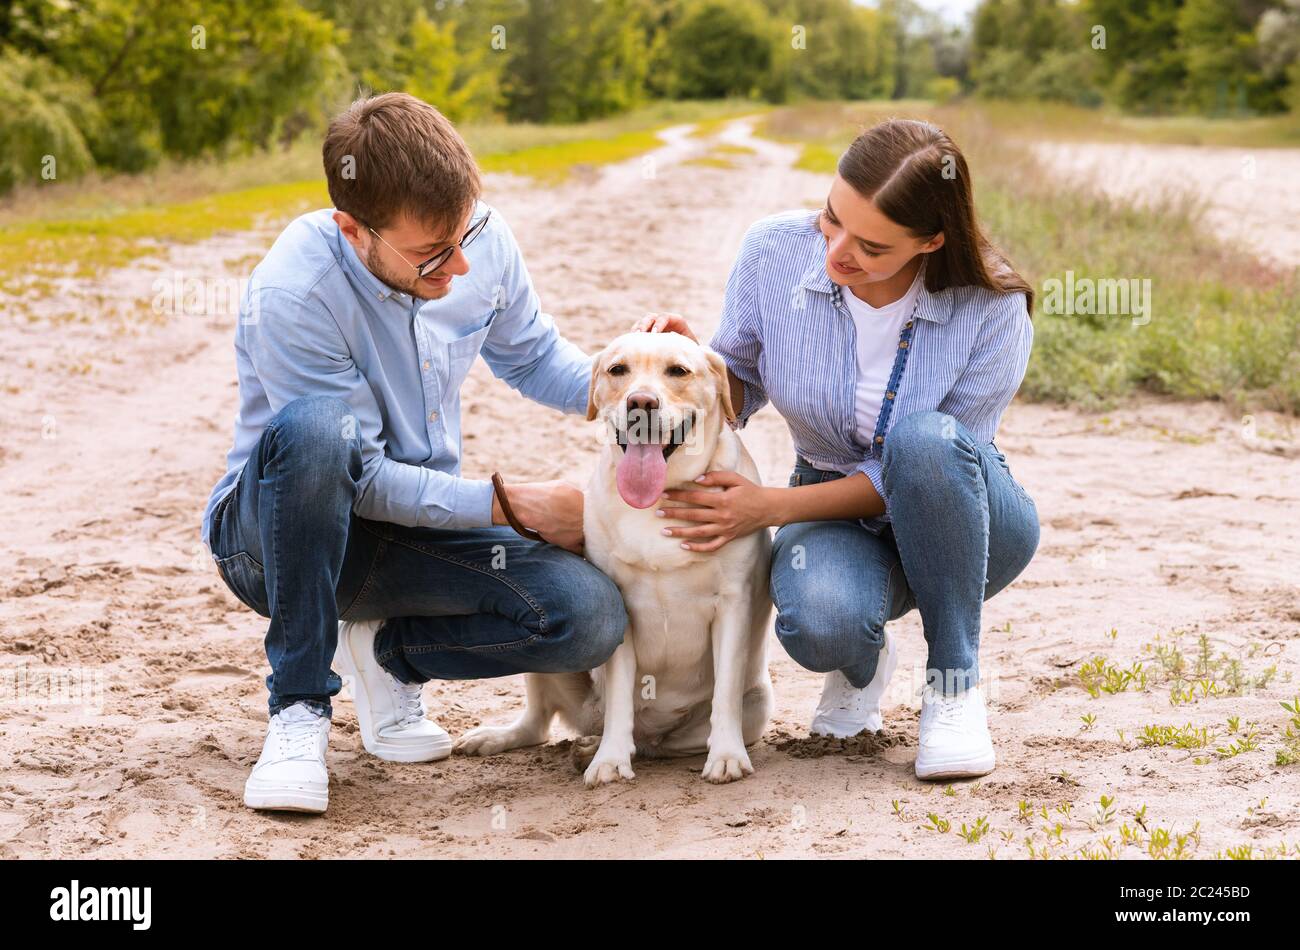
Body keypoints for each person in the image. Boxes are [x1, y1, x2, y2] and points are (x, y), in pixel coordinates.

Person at [202, 92, 627, 813]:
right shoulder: (294, 293)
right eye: (434, 252)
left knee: (587, 617)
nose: (461, 265)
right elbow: (359, 478)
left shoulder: (477, 242)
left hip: (411, 534)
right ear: (351, 227)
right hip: (275, 544)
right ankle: (299, 710)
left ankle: (387, 654)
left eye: (467, 234)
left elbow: (533, 358)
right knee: (317, 432)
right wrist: (510, 504)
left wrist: (637, 374)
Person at [633, 118, 1039, 780]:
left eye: (871, 246)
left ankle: (954, 685)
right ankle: (864, 660)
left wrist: (769, 507)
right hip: (835, 512)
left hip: (968, 515)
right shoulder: (771, 252)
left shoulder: (994, 307)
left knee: (924, 441)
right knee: (820, 623)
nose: (837, 254)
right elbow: (742, 383)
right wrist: (692, 364)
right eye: (831, 219)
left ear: (931, 242)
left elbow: (940, 462)